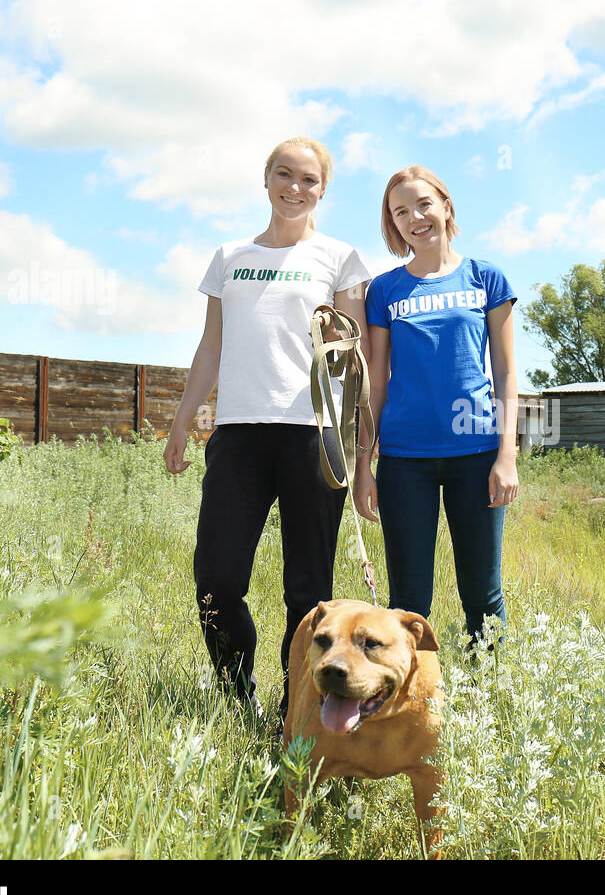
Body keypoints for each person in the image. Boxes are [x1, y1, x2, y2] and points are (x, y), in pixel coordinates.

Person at [164, 136, 370, 731]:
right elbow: (211, 346)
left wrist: (359, 453)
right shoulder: (229, 256)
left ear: (322, 190)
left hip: (312, 436)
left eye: (309, 180)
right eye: (285, 175)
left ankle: (294, 708)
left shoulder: (341, 259)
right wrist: (183, 422)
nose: (295, 188)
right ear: (266, 179)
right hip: (239, 438)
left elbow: (349, 360)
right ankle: (239, 694)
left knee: (306, 593)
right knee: (216, 580)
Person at [353, 165, 519, 648]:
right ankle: (410, 704)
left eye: (423, 204)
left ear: (446, 206)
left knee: (483, 596)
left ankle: (490, 698)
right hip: (405, 460)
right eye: (400, 211)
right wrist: (366, 464)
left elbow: (507, 373)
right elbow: (375, 383)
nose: (414, 218)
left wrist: (506, 455)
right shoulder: (385, 290)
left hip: (477, 453)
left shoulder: (486, 278)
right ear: (393, 224)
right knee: (407, 603)